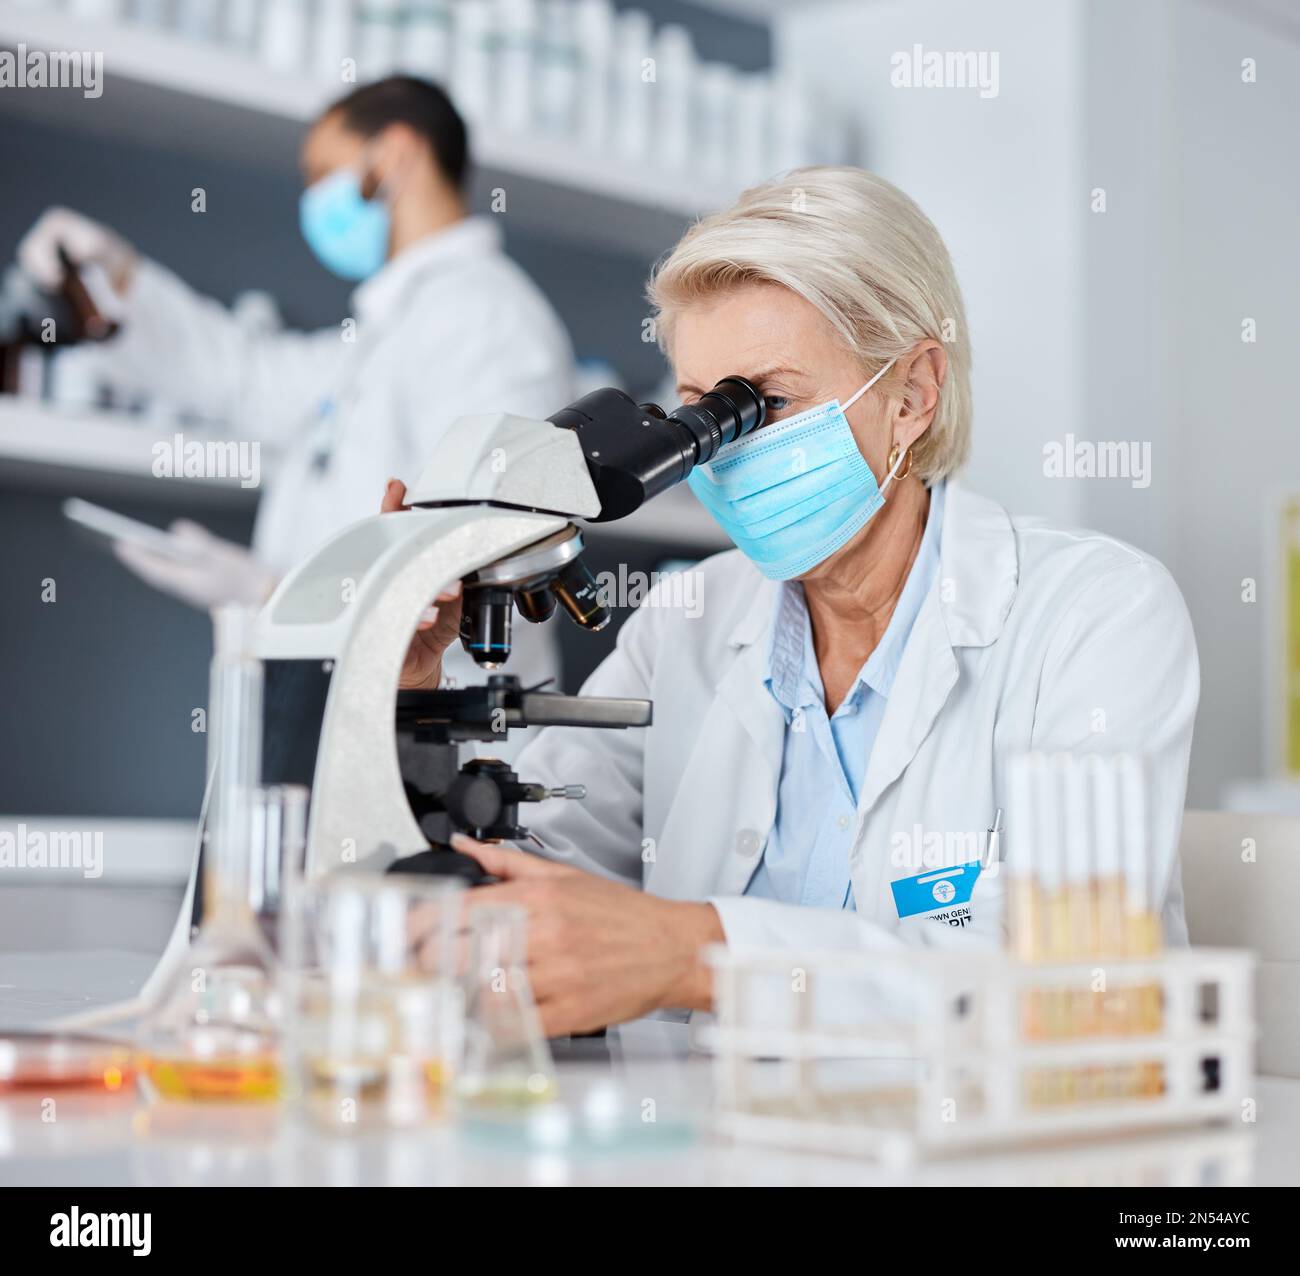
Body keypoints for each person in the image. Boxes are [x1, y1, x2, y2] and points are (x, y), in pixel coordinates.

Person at [388, 166, 1199, 1037]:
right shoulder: (683, 623)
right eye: (701, 410)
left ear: (912, 395)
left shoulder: (1096, 616)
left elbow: (1065, 976)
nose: (726, 451)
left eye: (766, 404)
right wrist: (402, 702)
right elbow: (521, 881)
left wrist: (693, 956)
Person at [18, 75, 571, 698]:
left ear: (392, 156)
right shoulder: (383, 330)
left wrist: (272, 594)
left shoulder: (490, 319)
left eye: (320, 173)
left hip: (448, 740)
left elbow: (485, 565)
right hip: (348, 709)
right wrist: (121, 279)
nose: (312, 199)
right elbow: (243, 375)